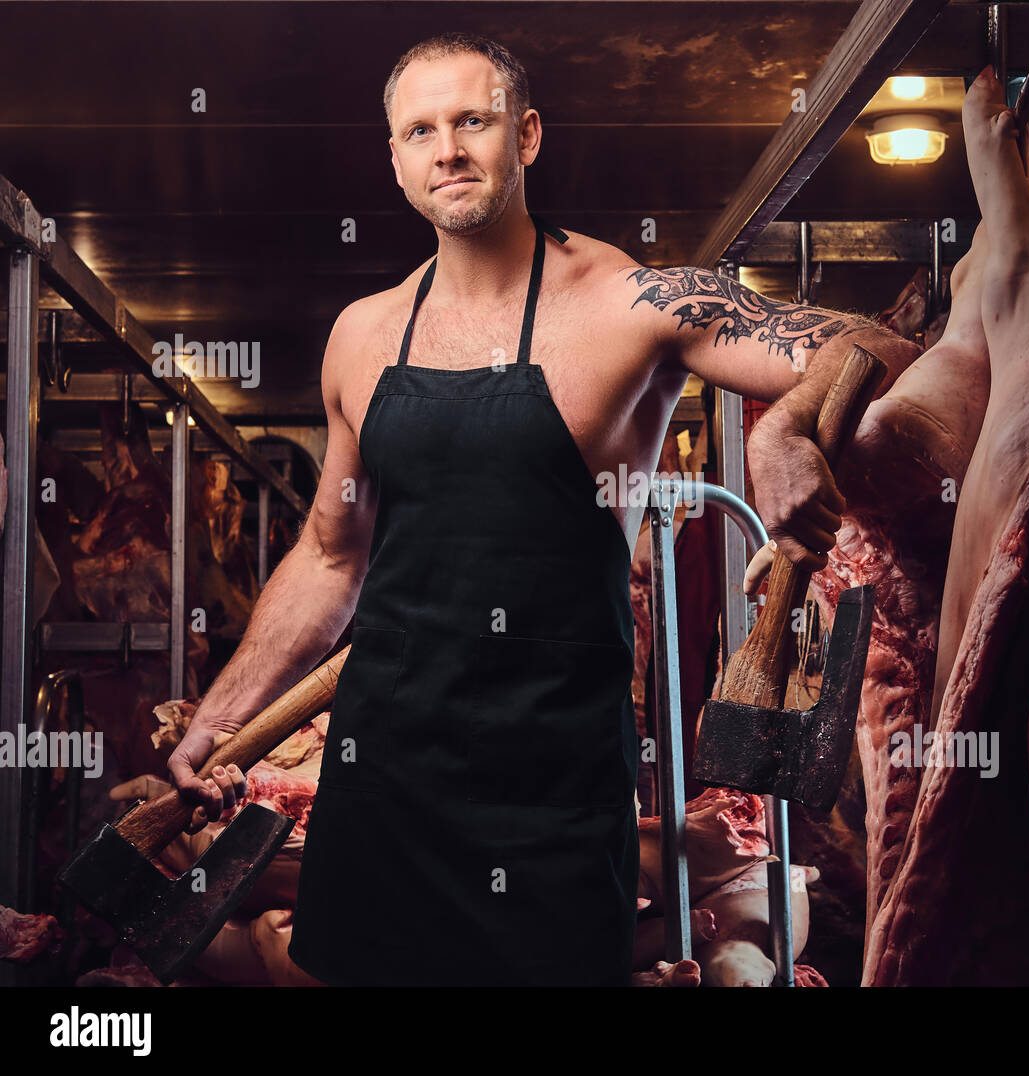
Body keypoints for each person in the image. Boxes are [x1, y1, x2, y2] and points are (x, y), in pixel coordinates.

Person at [167, 32, 917, 986]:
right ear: (394, 162)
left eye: (471, 121)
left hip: (552, 786)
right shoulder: (361, 336)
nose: (447, 149)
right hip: (383, 774)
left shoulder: (633, 303)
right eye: (420, 131)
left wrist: (784, 432)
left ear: (524, 136)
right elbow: (329, 558)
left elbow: (871, 345)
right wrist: (217, 720)